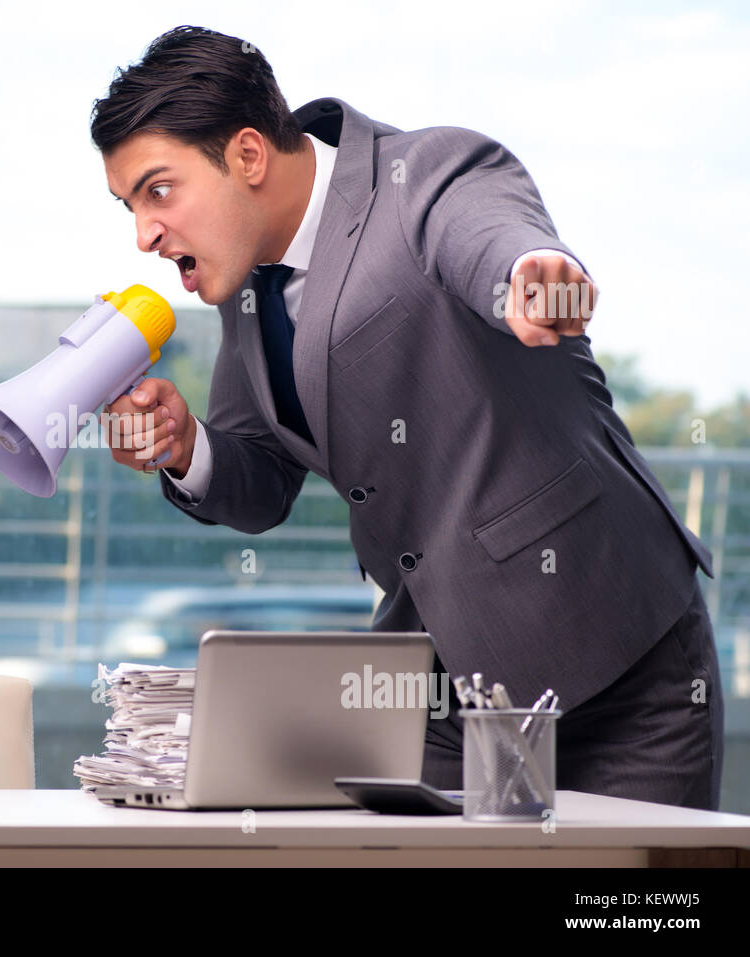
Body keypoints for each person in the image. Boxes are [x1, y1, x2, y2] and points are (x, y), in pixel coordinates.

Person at [94, 26, 722, 809]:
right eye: (129, 205)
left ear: (249, 155)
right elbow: (260, 482)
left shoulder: (429, 174)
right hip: (442, 688)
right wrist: (187, 447)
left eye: (159, 190)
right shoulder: (249, 294)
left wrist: (528, 278)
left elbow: (493, 241)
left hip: (618, 663)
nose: (144, 233)